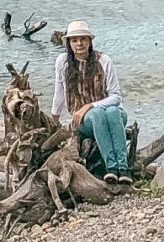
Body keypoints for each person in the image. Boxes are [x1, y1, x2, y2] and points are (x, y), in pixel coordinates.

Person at [51, 21, 131, 185]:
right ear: (69, 43)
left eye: (83, 39)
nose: (79, 43)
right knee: (98, 114)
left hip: (112, 116)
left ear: (89, 41)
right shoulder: (63, 62)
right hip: (84, 121)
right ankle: (112, 167)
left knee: (112, 111)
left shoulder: (104, 61)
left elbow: (115, 97)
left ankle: (123, 169)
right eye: (74, 40)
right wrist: (54, 119)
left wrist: (89, 105)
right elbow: (59, 92)